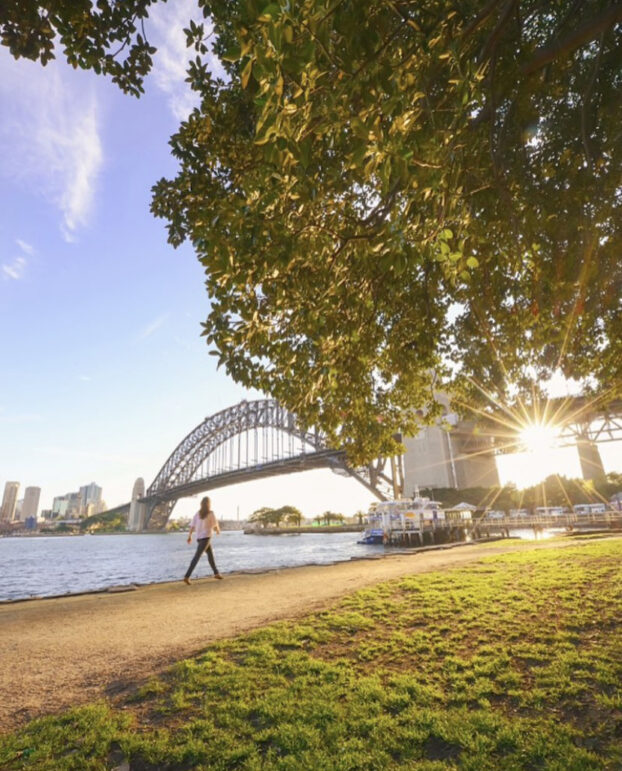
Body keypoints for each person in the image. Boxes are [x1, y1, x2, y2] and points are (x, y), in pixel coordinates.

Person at [183, 496, 223, 584]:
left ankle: (216, 573)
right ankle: (187, 576)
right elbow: (215, 524)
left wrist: (189, 536)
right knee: (197, 556)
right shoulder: (210, 513)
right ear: (209, 504)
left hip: (199, 538)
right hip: (206, 537)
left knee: (210, 555)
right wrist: (218, 530)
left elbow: (192, 526)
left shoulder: (197, 514)